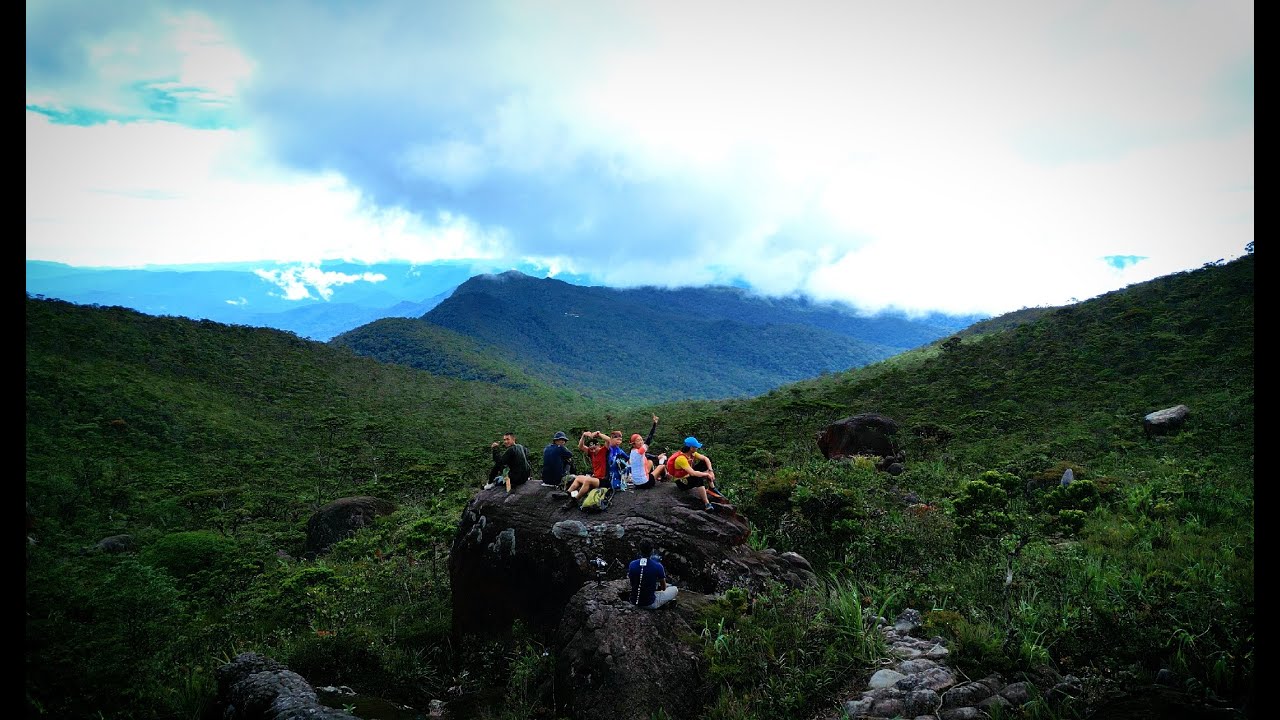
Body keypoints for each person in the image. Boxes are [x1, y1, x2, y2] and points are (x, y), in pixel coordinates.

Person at [668, 436, 718, 511]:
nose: (697, 448)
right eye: (696, 447)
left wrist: (710, 471)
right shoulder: (681, 458)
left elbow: (706, 459)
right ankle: (707, 503)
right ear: (691, 448)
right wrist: (706, 474)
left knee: (706, 461)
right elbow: (693, 473)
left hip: (688, 474)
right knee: (697, 477)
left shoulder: (692, 454)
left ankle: (712, 488)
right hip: (682, 481)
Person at [628, 538, 677, 609]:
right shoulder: (658, 566)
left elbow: (632, 583)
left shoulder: (632, 564)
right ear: (652, 551)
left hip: (633, 600)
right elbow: (663, 588)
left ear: (640, 550)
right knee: (674, 589)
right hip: (649, 603)